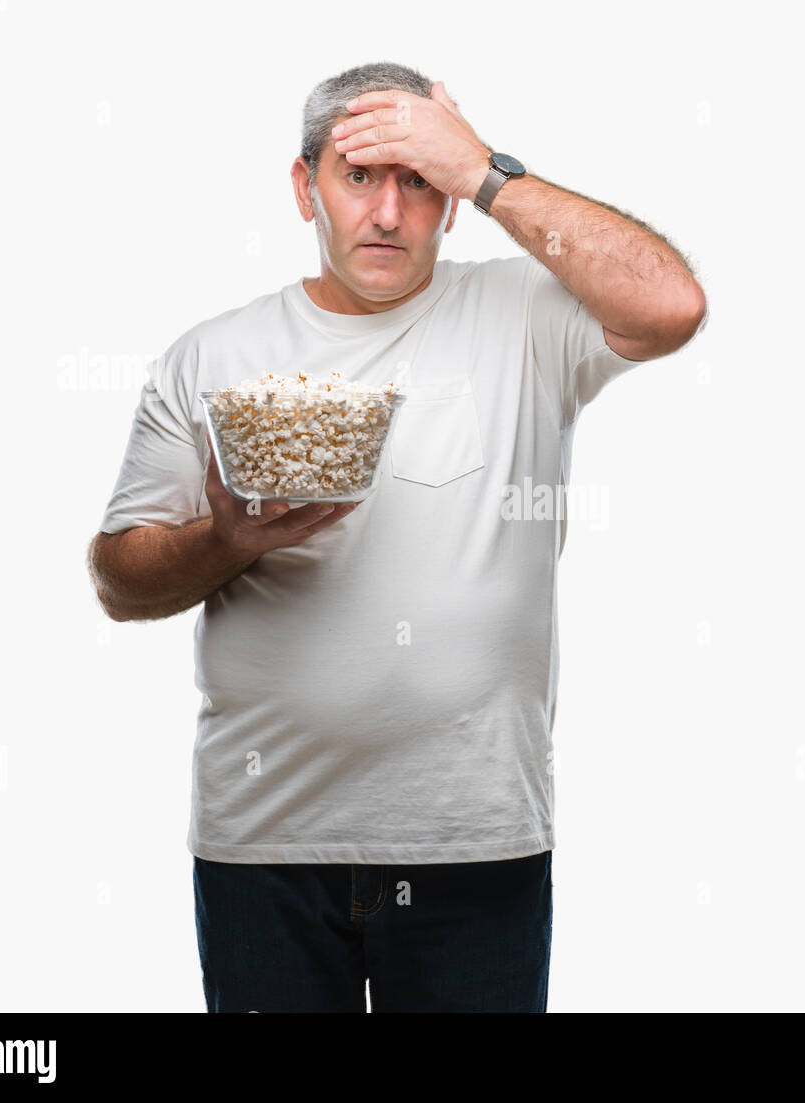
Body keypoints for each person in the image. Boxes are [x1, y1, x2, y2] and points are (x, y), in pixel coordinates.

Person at [86, 61, 708, 1013]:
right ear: (305, 189)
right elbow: (120, 582)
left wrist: (487, 172)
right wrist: (226, 537)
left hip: (475, 842)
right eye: (358, 175)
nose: (387, 213)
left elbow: (671, 306)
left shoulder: (523, 316)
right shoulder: (210, 355)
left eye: (418, 181)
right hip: (266, 845)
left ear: (449, 201)